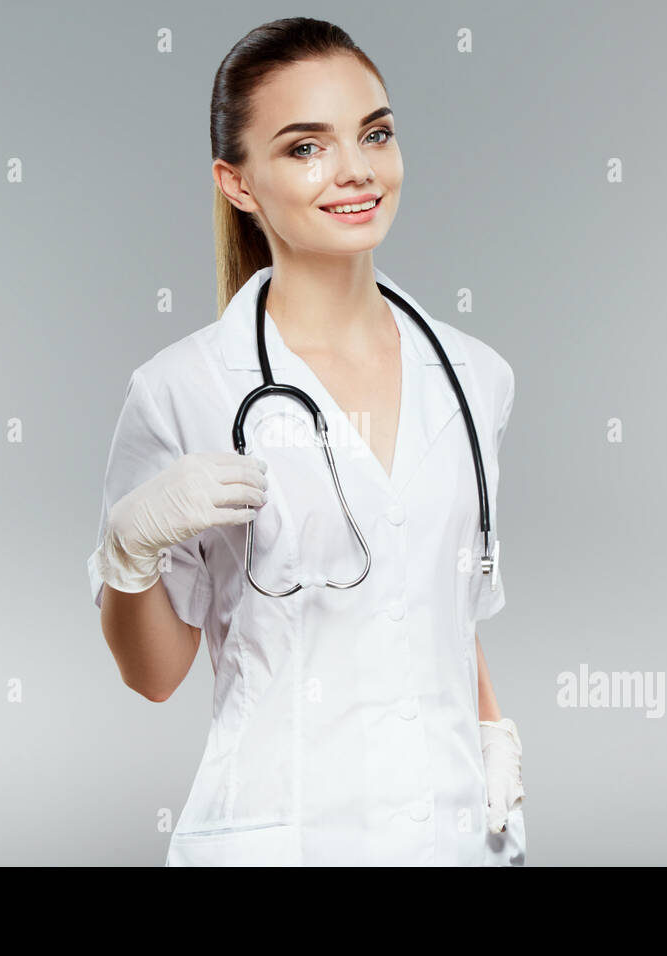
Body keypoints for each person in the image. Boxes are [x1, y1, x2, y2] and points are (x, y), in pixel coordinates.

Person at [87, 17, 525, 866]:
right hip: (279, 839)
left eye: (375, 134)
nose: (356, 169)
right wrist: (127, 550)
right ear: (238, 183)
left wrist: (493, 733)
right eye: (305, 148)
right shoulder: (184, 389)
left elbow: (436, 606)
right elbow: (153, 676)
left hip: (456, 835)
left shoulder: (475, 377)